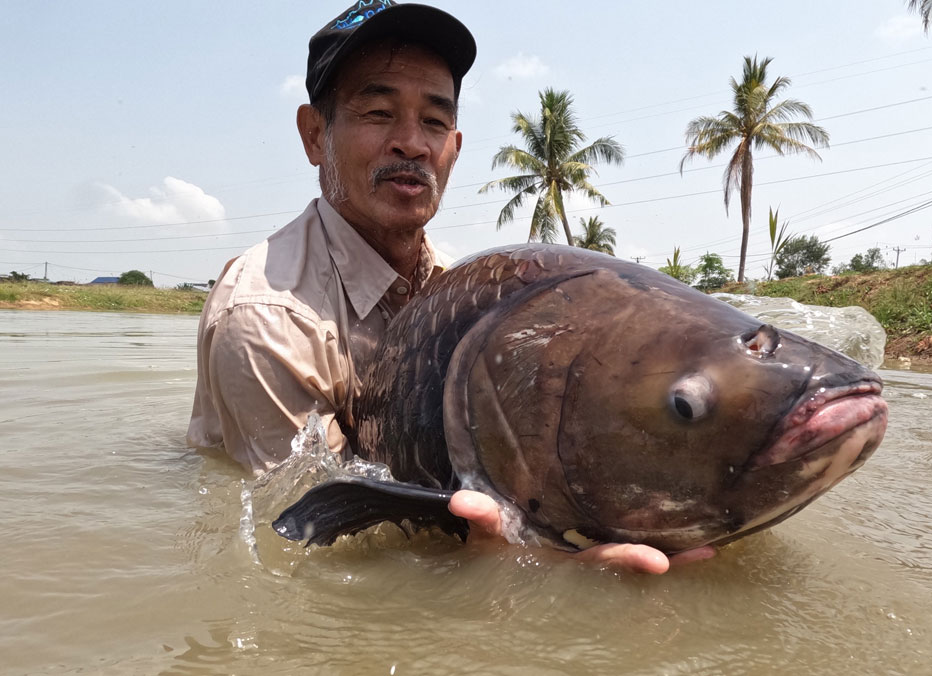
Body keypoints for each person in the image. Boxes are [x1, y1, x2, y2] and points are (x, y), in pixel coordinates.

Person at [188, 0, 713, 574]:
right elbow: (314, 536)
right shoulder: (266, 318)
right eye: (379, 113)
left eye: (434, 122)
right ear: (315, 135)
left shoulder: (467, 293)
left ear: (454, 149)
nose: (411, 143)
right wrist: (529, 566)